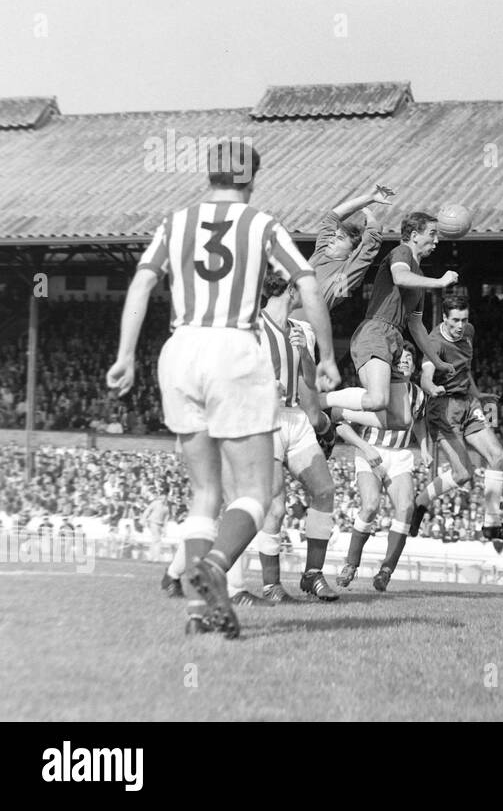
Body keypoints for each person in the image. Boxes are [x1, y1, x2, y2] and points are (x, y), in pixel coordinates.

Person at [107, 139, 339, 638]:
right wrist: (328, 357)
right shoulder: (261, 224)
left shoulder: (175, 222)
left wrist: (126, 355)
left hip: (179, 349)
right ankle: (215, 565)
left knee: (203, 494)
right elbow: (308, 285)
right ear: (251, 178)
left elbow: (143, 283)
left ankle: (198, 613)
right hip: (233, 349)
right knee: (256, 491)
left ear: (207, 176)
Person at [251, 269, 341, 603]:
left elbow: (309, 382)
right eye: (302, 288)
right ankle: (271, 585)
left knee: (325, 490)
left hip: (296, 418)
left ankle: (313, 575)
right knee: (275, 507)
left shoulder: (303, 330)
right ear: (290, 289)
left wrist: (305, 354)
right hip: (264, 420)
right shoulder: (253, 329)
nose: (308, 294)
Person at [323, 212, 457, 419]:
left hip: (395, 340)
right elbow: (400, 276)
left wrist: (437, 362)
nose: (437, 240)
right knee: (377, 400)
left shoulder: (418, 278)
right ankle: (320, 400)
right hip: (375, 332)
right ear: (414, 235)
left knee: (402, 419)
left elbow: (417, 326)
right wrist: (439, 282)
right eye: (432, 234)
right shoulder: (402, 252)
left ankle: (338, 414)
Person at [413, 292, 503, 549]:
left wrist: (477, 394)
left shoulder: (469, 331)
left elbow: (465, 369)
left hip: (468, 402)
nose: (461, 325)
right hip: (443, 407)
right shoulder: (434, 342)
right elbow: (426, 375)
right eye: (456, 321)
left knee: (499, 457)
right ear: (444, 318)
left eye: (464, 319)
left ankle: (492, 524)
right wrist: (430, 388)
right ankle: (420, 502)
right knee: (463, 475)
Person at [333, 346, 433, 591]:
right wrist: (365, 448)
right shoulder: (376, 390)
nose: (406, 362)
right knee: (370, 506)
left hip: (399, 456)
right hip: (370, 451)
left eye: (410, 359)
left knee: (407, 508)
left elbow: (418, 422)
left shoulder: (419, 395)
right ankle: (351, 564)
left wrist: (424, 448)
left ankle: (386, 571)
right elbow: (339, 423)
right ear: (392, 365)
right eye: (401, 359)